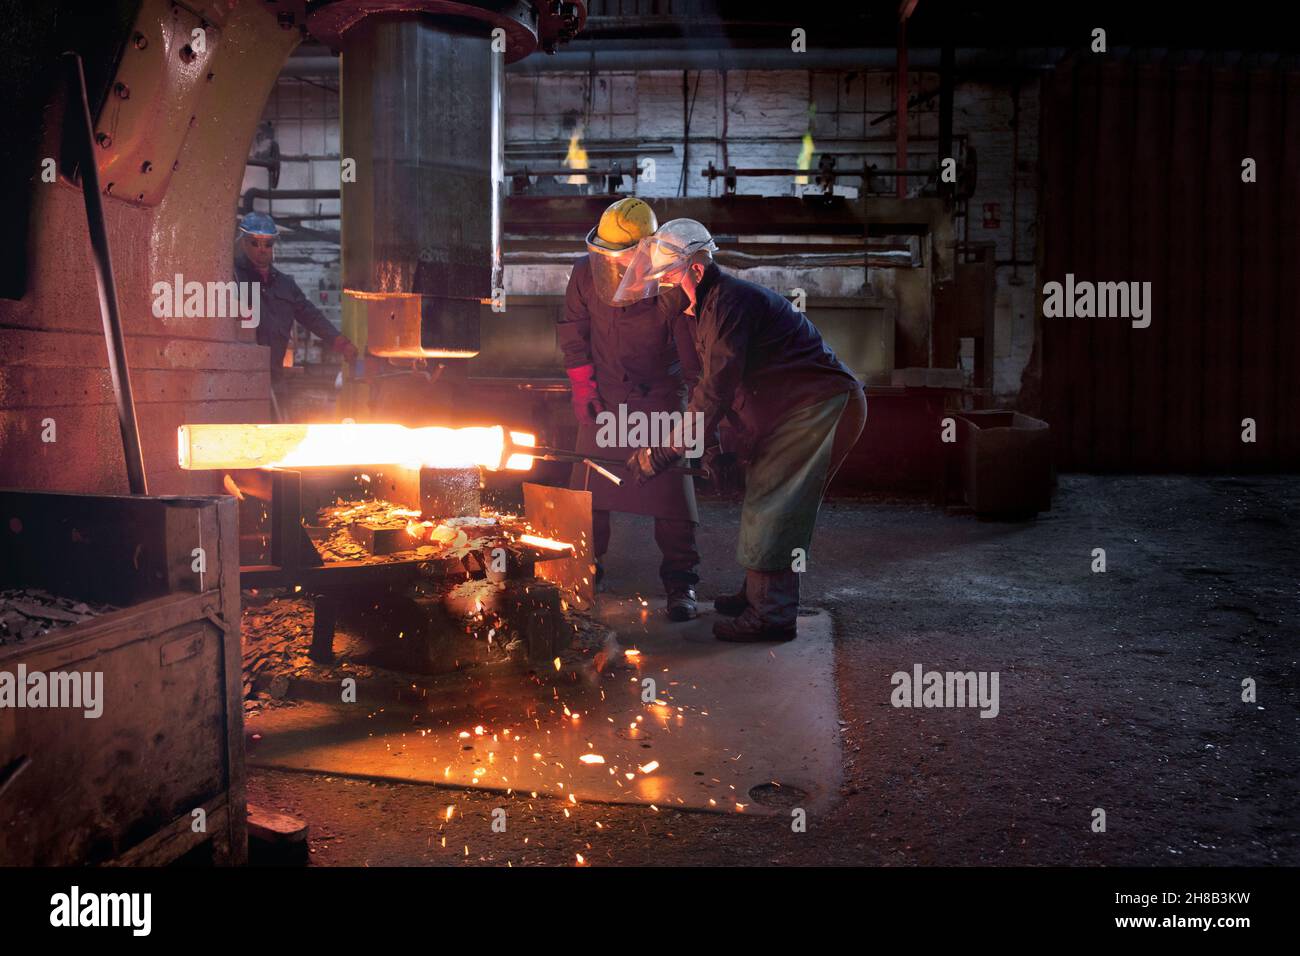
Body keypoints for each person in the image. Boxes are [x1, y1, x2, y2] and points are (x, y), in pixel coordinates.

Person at [617, 219, 868, 642]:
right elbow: (703, 384)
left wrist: (663, 454)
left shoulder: (731, 304)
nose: (663, 288)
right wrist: (714, 451)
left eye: (669, 278)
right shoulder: (697, 312)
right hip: (795, 410)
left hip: (819, 406)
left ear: (697, 269)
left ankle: (771, 615)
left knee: (775, 501)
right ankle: (759, 595)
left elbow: (715, 392)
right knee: (765, 496)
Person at [556, 198, 702, 621]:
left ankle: (681, 581)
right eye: (606, 254)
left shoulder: (670, 284)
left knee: (672, 495)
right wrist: (583, 387)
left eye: (621, 256)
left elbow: (692, 356)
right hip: (605, 396)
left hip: (660, 397)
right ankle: (584, 570)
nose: (613, 265)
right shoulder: (585, 274)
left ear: (645, 252)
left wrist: (698, 417)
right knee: (588, 494)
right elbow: (574, 334)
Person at [234, 211, 357, 419]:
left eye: (267, 244)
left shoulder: (284, 285)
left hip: (275, 377)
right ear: (244, 243)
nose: (262, 249)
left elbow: (310, 315)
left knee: (275, 431)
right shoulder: (231, 279)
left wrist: (340, 343)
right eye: (255, 243)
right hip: (241, 380)